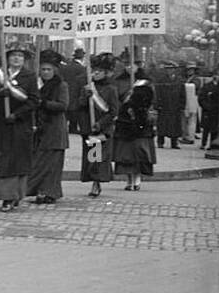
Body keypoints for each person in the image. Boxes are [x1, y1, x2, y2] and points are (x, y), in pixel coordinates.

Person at [0, 44, 38, 211]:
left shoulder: (29, 76)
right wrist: (0, 94)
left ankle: (14, 196)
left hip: (20, 125)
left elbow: (34, 100)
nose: (16, 58)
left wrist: (17, 114)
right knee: (3, 161)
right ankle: (6, 196)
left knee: (16, 162)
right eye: (13, 55)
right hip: (1, 125)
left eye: (20, 56)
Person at [26, 49, 71, 205]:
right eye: (43, 69)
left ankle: (49, 192)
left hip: (55, 130)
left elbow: (63, 105)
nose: (45, 72)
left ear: (55, 70)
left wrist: (43, 103)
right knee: (39, 163)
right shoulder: (37, 85)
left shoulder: (61, 85)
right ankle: (39, 191)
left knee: (52, 165)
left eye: (48, 69)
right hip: (40, 129)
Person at [76, 52, 118, 197]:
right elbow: (79, 107)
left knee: (100, 158)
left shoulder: (111, 89)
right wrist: (85, 98)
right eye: (94, 71)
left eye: (99, 71)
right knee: (92, 157)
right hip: (89, 128)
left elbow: (113, 111)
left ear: (106, 73)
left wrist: (100, 124)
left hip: (102, 129)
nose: (95, 73)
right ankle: (94, 180)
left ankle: (97, 183)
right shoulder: (88, 88)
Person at [113, 67, 157, 190]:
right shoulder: (119, 81)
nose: (130, 68)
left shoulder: (146, 83)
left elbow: (150, 101)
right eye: (127, 65)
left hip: (140, 122)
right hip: (124, 122)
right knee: (126, 155)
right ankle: (129, 179)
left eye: (133, 65)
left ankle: (137, 178)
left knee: (139, 153)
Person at [153, 62, 186, 149]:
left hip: (175, 106)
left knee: (175, 125)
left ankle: (174, 143)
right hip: (164, 106)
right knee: (162, 125)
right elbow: (157, 93)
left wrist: (182, 105)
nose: (170, 71)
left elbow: (183, 94)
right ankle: (160, 142)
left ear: (175, 70)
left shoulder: (179, 80)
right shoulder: (161, 80)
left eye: (171, 69)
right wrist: (157, 105)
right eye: (168, 69)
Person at [60, 47, 88, 134]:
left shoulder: (66, 67)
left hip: (66, 90)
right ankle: (73, 127)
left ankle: (63, 127)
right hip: (76, 92)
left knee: (66, 110)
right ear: (82, 57)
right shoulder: (82, 69)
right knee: (74, 111)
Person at [197, 68, 219, 149]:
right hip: (208, 110)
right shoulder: (207, 86)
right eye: (216, 75)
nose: (217, 76)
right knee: (206, 128)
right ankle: (204, 143)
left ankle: (212, 144)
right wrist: (206, 106)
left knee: (215, 129)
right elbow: (201, 98)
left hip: (217, 110)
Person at [180, 66, 200, 145]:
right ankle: (185, 135)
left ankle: (190, 137)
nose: (189, 71)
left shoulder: (196, 79)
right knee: (184, 119)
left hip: (192, 100)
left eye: (191, 70)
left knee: (191, 119)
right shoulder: (185, 79)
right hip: (186, 100)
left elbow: (196, 86)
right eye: (188, 70)